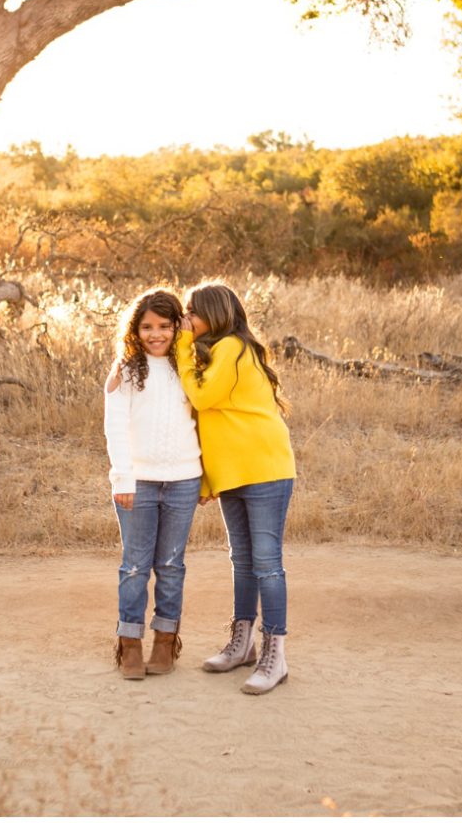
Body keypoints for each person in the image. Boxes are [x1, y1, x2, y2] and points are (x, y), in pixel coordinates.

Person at [176, 282, 296, 696]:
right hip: (234, 473)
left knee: (265, 562)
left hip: (264, 467)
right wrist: (210, 478)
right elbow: (209, 424)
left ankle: (274, 655)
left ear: (215, 313)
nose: (186, 319)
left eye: (192, 311)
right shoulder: (219, 352)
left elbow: (204, 399)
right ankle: (242, 644)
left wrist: (180, 347)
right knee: (243, 561)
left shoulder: (230, 347)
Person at [104, 288, 202, 680]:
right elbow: (115, 427)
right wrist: (123, 476)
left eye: (164, 325)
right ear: (135, 330)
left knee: (172, 565)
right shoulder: (126, 369)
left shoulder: (191, 367)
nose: (156, 334)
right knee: (134, 567)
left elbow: (205, 423)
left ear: (178, 326)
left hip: (183, 480)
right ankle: (129, 644)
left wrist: (206, 477)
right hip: (138, 482)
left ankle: (166, 640)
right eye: (147, 327)